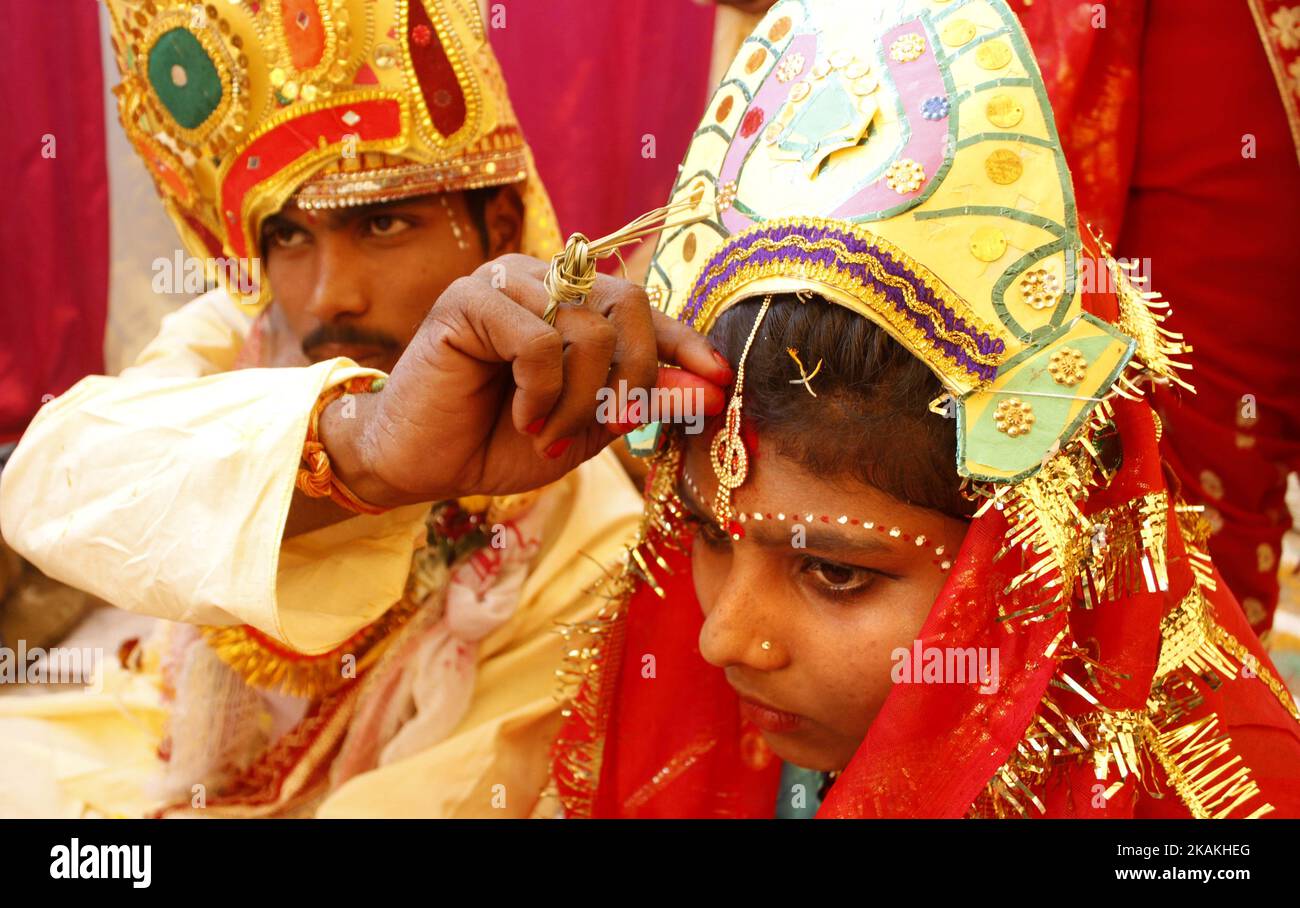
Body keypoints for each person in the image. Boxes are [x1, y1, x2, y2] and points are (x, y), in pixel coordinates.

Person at [550, 0, 1300, 818]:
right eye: (704, 533)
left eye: (834, 571)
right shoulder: (746, 750)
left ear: (1034, 559)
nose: (722, 640)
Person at [0, 0, 726, 818]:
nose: (327, 296)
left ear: (498, 227)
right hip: (151, 742)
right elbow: (48, 483)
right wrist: (363, 450)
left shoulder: (578, 542)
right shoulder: (246, 334)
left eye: (381, 222)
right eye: (290, 237)